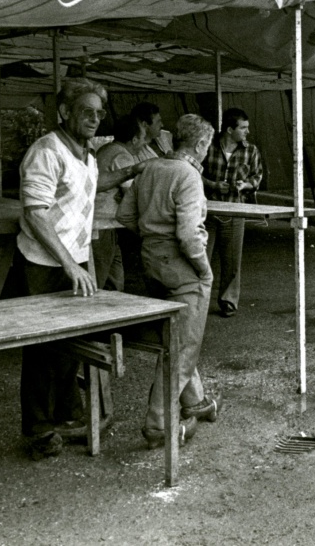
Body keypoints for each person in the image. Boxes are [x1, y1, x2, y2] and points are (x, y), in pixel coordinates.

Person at [16, 79, 148, 459]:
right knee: (41, 347)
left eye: (99, 113)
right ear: (64, 112)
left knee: (70, 343)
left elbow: (92, 184)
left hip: (73, 258)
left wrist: (133, 169)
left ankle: (66, 416)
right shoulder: (46, 151)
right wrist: (69, 263)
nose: (94, 119)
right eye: (86, 111)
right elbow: (35, 213)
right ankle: (38, 430)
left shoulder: (86, 155)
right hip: (43, 263)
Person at [117, 114, 221, 448]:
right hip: (182, 268)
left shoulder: (150, 167)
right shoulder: (188, 175)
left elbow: (124, 215)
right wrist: (204, 268)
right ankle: (158, 424)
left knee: (177, 336)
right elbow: (189, 235)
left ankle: (196, 401)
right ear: (201, 144)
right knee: (183, 346)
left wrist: (153, 238)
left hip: (152, 263)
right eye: (208, 145)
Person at [201, 107, 263, 318]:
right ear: (229, 129)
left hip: (236, 210)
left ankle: (228, 301)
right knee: (201, 257)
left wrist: (245, 185)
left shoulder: (250, 150)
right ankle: (199, 300)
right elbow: (193, 171)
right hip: (208, 211)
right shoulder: (208, 146)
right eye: (243, 128)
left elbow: (257, 177)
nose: (247, 131)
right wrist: (213, 185)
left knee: (232, 260)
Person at [93, 115, 147, 291]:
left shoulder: (107, 149)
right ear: (134, 139)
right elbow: (132, 194)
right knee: (99, 278)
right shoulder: (122, 155)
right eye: (143, 138)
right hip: (102, 225)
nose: (144, 143)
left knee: (114, 277)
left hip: (103, 223)